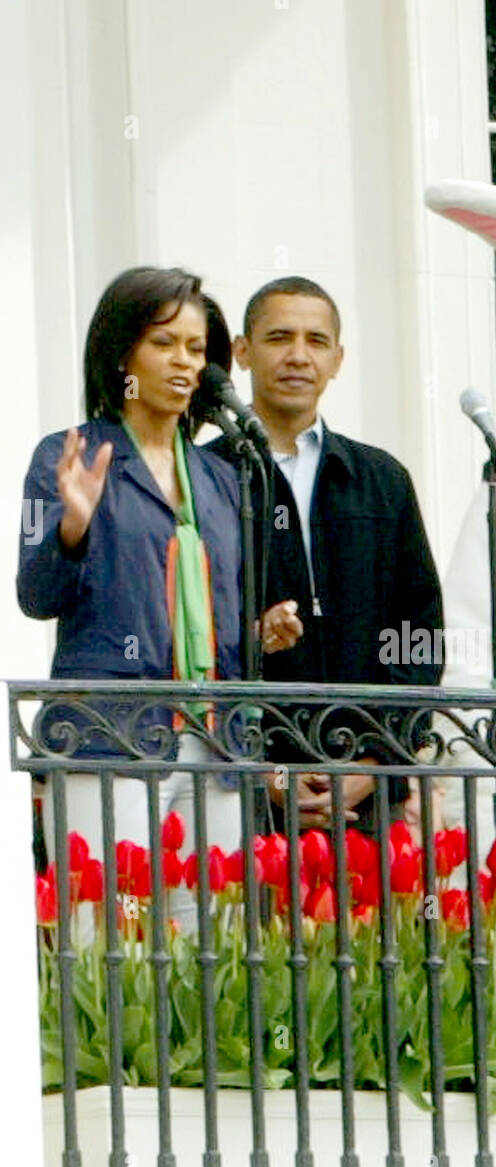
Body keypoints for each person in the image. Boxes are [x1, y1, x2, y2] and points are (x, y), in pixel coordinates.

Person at [17, 266, 282, 870]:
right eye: (163, 344)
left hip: (216, 741)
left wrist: (259, 629)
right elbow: (36, 594)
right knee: (117, 930)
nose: (184, 362)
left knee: (216, 930)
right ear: (122, 358)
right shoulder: (69, 454)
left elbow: (223, 611)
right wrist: (72, 528)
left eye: (195, 348)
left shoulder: (222, 475)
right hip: (110, 733)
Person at [210, 275, 443, 830]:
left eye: (316, 341)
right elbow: (189, 639)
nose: (298, 356)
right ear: (242, 351)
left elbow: (417, 631)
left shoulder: (381, 479)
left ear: (338, 359)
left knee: (379, 922)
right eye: (278, 338)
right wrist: (263, 769)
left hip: (366, 788)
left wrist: (378, 759)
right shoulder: (209, 475)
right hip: (245, 785)